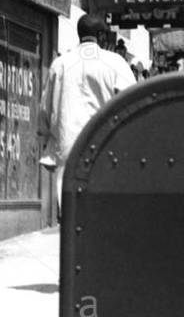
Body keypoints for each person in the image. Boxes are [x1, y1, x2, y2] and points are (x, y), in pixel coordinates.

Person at [38, 13, 137, 202]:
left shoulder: (60, 64)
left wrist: (44, 136)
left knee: (69, 212)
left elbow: (45, 108)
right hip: (105, 147)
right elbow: (132, 101)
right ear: (100, 36)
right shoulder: (116, 63)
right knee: (102, 208)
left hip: (67, 147)